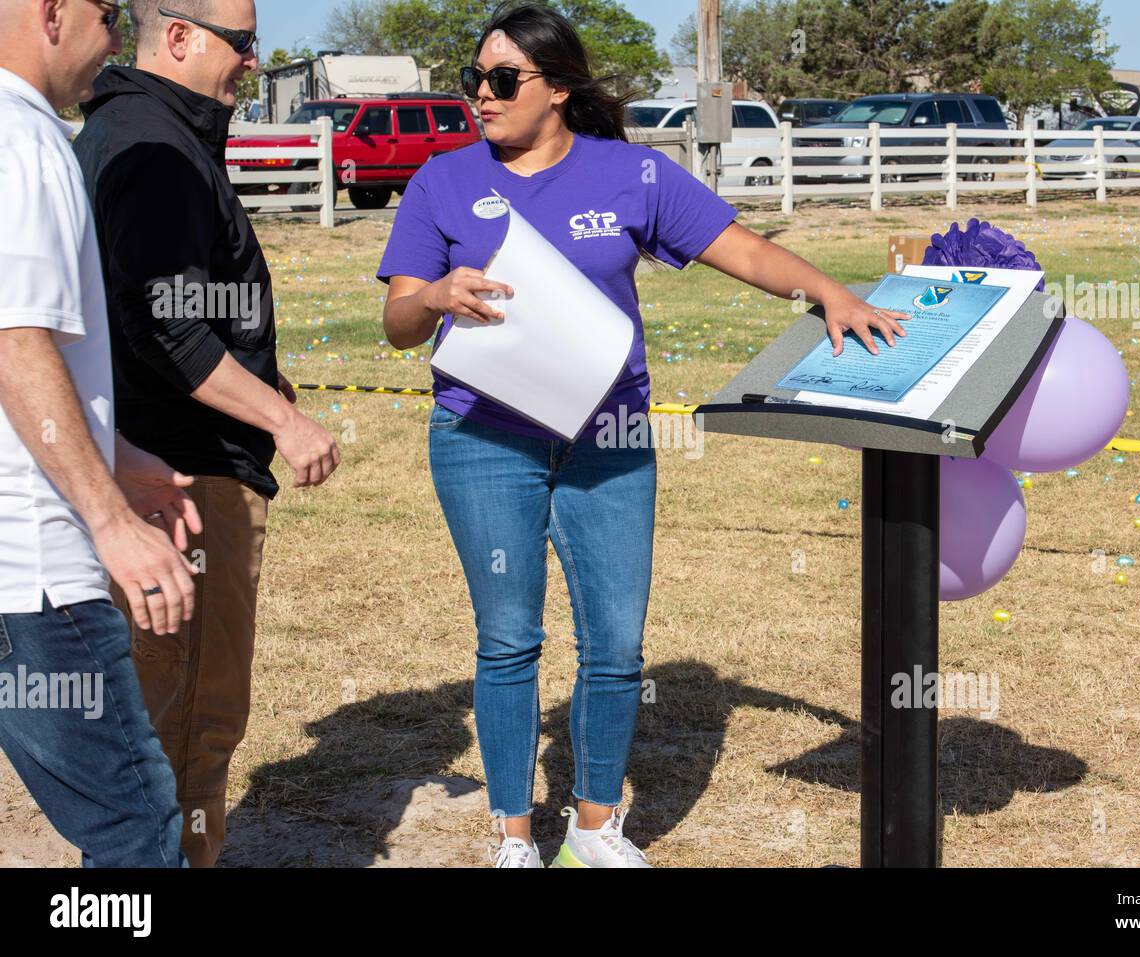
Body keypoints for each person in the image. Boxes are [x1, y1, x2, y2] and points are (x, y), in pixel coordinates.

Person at [379, 1, 909, 868]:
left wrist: (830, 294)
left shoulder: (633, 175)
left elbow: (740, 248)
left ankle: (593, 825)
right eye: (473, 76)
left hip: (610, 438)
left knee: (617, 641)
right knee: (508, 637)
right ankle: (514, 835)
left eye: (503, 78)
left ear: (556, 89)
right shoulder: (442, 180)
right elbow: (399, 321)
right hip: (482, 439)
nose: (482, 92)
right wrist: (433, 298)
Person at [74, 0, 341, 867]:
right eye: (243, 44)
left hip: (164, 462)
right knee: (192, 718)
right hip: (184, 483)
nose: (253, 65)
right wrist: (283, 420)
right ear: (179, 37)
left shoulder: (149, 130)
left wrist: (263, 376)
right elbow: (169, 329)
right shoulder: (155, 147)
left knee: (174, 715)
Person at [0, 0, 198, 867]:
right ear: (52, 13)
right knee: (138, 828)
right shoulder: (26, 140)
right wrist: (109, 517)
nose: (118, 40)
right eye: (110, 14)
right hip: (35, 577)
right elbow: (16, 343)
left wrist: (117, 456)